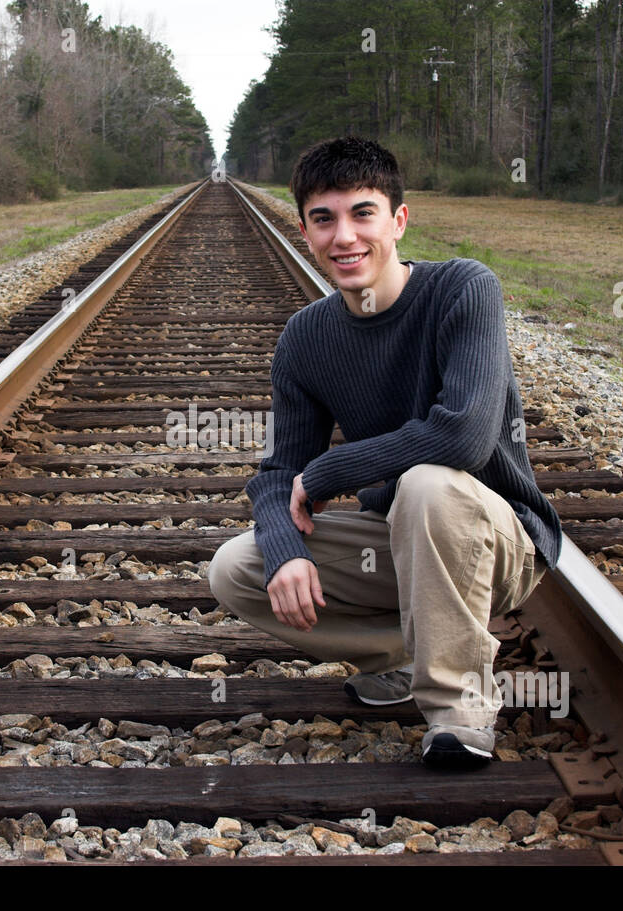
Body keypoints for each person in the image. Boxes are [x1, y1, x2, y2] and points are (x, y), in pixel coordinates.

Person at [207, 137, 562, 769]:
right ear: (305, 231)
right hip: (396, 538)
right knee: (236, 567)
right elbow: (277, 474)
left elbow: (465, 437)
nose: (344, 236)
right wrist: (286, 550)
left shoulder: (463, 289)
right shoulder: (305, 337)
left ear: (398, 220)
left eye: (362, 213)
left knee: (428, 483)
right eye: (324, 218)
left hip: (496, 535)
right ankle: (404, 658)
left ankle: (459, 709)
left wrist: (331, 471)